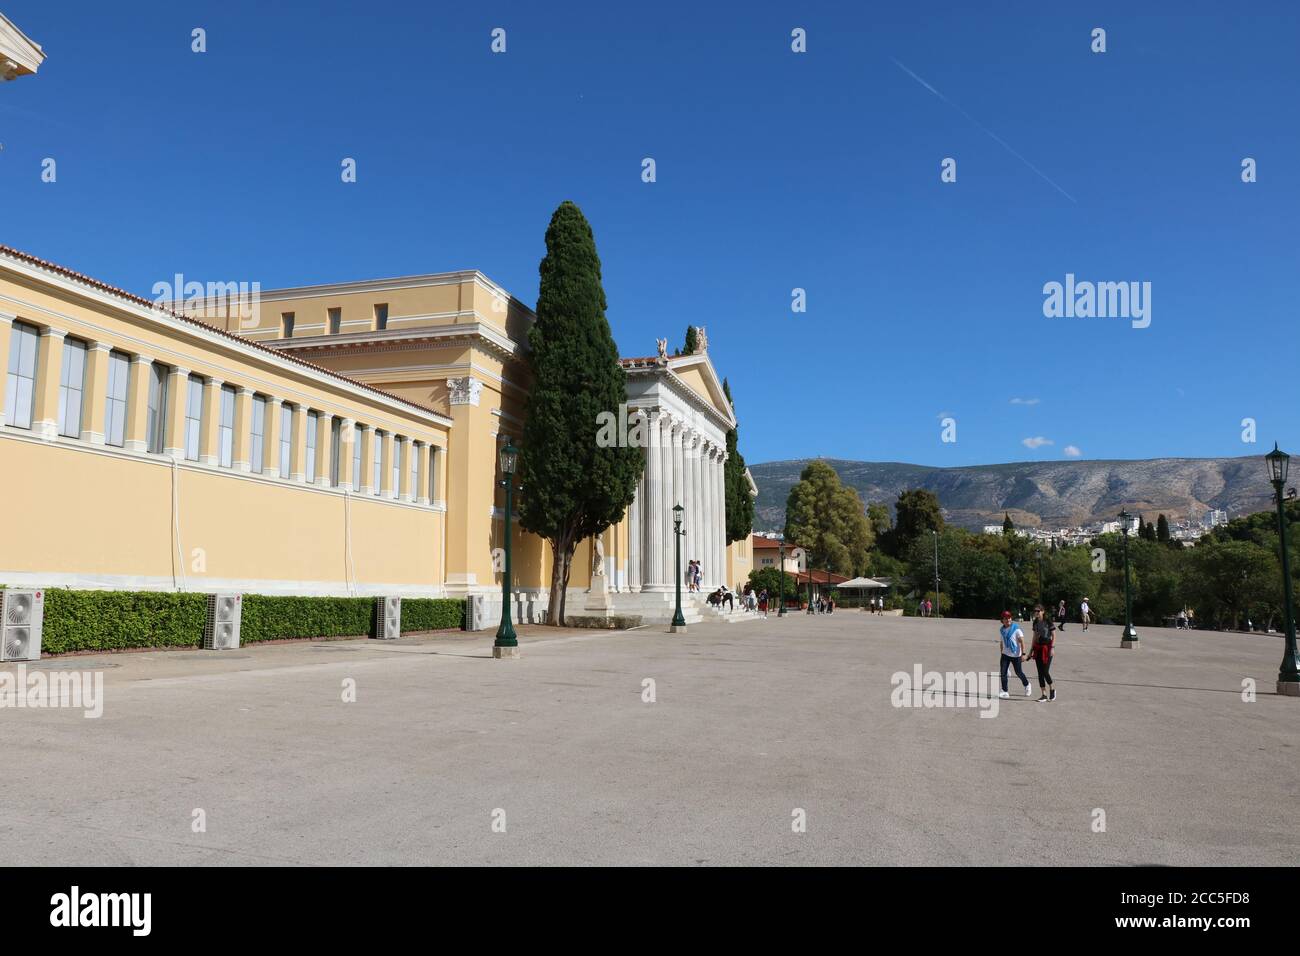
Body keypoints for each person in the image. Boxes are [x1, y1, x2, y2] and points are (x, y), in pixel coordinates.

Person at [997, 610, 1033, 699]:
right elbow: (1002, 642)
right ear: (1002, 620)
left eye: (1009, 617)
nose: (1008, 619)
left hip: (1016, 655)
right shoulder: (1002, 630)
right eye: (1006, 618)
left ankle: (1027, 685)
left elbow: (1022, 641)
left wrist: (1024, 654)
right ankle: (1005, 691)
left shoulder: (1016, 629)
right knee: (1003, 672)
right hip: (1005, 655)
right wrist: (1002, 652)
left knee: (1019, 672)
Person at [1030, 605, 1057, 702]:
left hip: (1047, 647)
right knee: (1040, 673)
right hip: (1038, 648)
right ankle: (1043, 694)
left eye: (1038, 611)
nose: (1036, 612)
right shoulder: (1035, 622)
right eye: (1035, 611)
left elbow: (1054, 635)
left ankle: (1052, 689)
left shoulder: (1048, 621)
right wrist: (1030, 651)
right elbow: (1034, 637)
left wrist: (1052, 648)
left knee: (1045, 671)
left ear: (1043, 611)